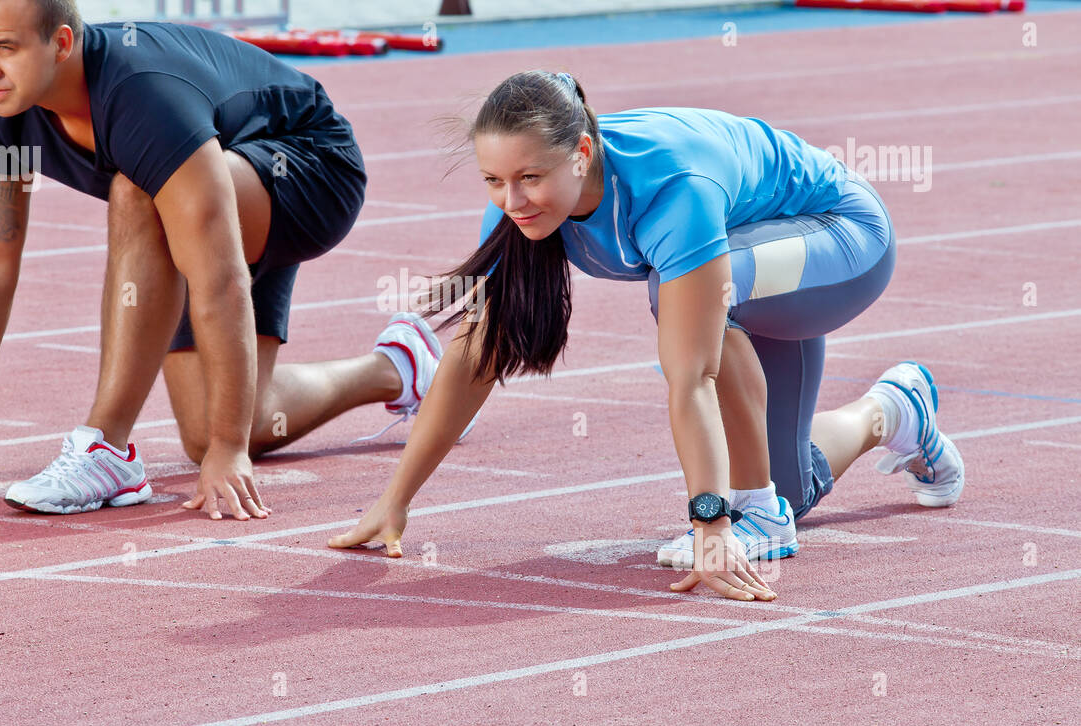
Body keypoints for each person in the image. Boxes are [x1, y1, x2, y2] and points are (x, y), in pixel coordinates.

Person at [328, 70, 965, 601]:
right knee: (786, 482)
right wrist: (396, 499)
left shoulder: (673, 189)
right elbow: (477, 353)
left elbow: (692, 377)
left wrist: (711, 521)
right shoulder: (522, 204)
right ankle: (895, 410)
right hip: (759, 263)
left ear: (581, 152)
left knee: (682, 301)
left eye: (528, 178)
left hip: (842, 238)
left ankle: (760, 519)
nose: (513, 199)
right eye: (493, 181)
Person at [0, 0, 455, 518]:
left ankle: (107, 450)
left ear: (62, 43)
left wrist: (232, 454)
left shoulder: (140, 95)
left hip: (310, 168)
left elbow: (220, 278)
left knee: (137, 192)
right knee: (219, 426)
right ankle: (399, 365)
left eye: (6, 48)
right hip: (211, 180)